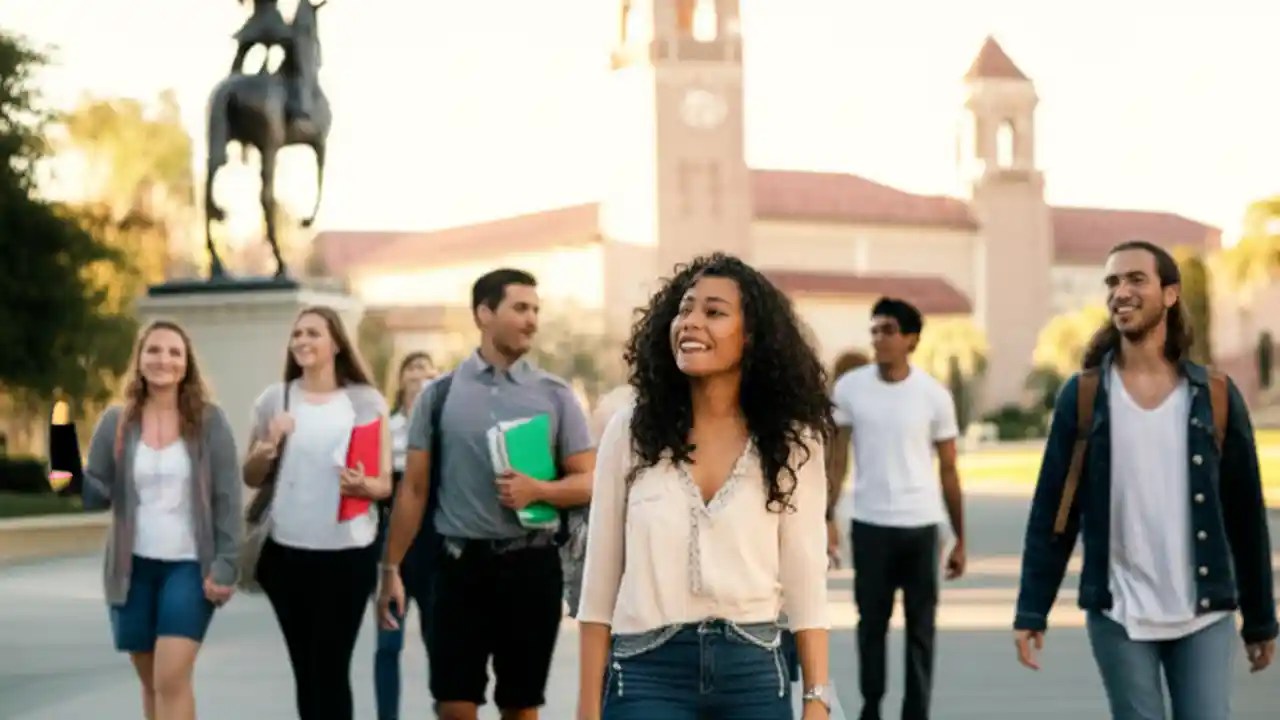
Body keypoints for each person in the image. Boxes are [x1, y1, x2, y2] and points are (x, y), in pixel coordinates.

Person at [1014, 240, 1277, 718]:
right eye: (1112, 282)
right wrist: (1033, 608)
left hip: (1205, 612)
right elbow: (1054, 511)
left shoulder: (1214, 396)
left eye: (1136, 279)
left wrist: (1260, 620)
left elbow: (1245, 517)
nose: (1121, 291)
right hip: (1119, 613)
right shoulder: (1085, 395)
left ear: (1170, 294)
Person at [576, 252, 835, 720]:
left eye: (714, 312)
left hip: (753, 671)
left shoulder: (792, 443)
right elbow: (598, 584)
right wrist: (586, 708)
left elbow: (805, 579)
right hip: (644, 673)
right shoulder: (630, 432)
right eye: (685, 309)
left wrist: (817, 698)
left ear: (752, 336)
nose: (691, 322)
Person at [378, 268, 596, 720]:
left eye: (535, 310)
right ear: (484, 313)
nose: (532, 319)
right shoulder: (439, 396)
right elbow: (413, 490)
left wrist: (540, 489)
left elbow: (590, 481)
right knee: (454, 706)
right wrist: (390, 569)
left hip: (531, 568)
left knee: (520, 707)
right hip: (458, 570)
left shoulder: (554, 396)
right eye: (520, 308)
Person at [82, 320, 241, 720]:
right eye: (153, 350)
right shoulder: (116, 422)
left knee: (170, 679)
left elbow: (228, 498)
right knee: (153, 685)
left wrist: (226, 565)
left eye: (174, 352)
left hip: (189, 566)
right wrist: (65, 476)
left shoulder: (209, 422)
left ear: (186, 365)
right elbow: (94, 494)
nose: (163, 360)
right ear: (139, 359)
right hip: (131, 569)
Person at [242, 306, 392, 720]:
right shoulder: (276, 398)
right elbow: (251, 475)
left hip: (348, 552)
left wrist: (365, 487)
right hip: (286, 554)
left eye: (313, 334)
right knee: (306, 670)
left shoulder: (365, 401)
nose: (303, 342)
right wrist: (268, 444)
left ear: (336, 343)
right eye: (297, 335)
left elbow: (384, 483)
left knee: (330, 667)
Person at [828, 298, 966, 720]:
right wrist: (827, 515)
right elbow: (837, 458)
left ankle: (916, 711)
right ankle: (871, 707)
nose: (878, 339)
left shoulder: (933, 396)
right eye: (874, 330)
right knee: (871, 624)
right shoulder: (850, 388)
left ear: (911, 339)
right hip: (870, 525)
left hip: (921, 527)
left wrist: (960, 537)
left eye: (888, 330)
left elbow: (949, 469)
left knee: (921, 631)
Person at [373, 351, 438, 720]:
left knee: (438, 644)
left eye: (426, 369)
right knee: (387, 645)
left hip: (433, 549)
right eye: (411, 368)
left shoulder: (442, 426)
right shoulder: (387, 427)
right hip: (392, 548)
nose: (418, 375)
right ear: (400, 379)